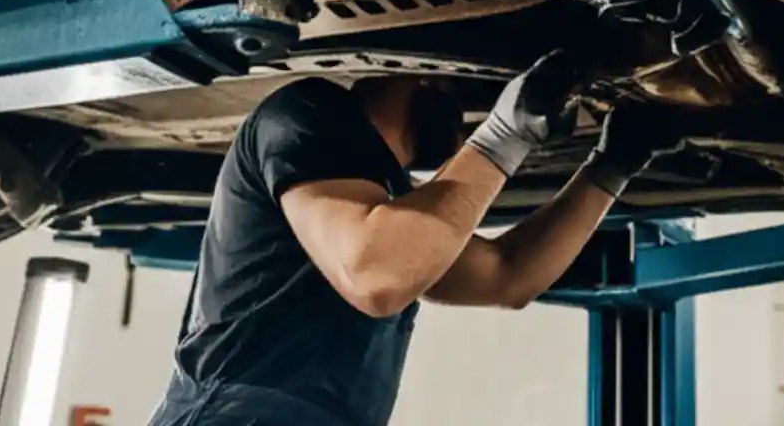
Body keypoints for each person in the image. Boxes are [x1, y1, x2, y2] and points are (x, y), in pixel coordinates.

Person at [148, 51, 681, 426]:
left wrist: (611, 166)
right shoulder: (307, 113)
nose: (465, 113)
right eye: (457, 91)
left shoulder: (396, 214)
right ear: (423, 79)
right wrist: (502, 137)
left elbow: (507, 275)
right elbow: (376, 275)